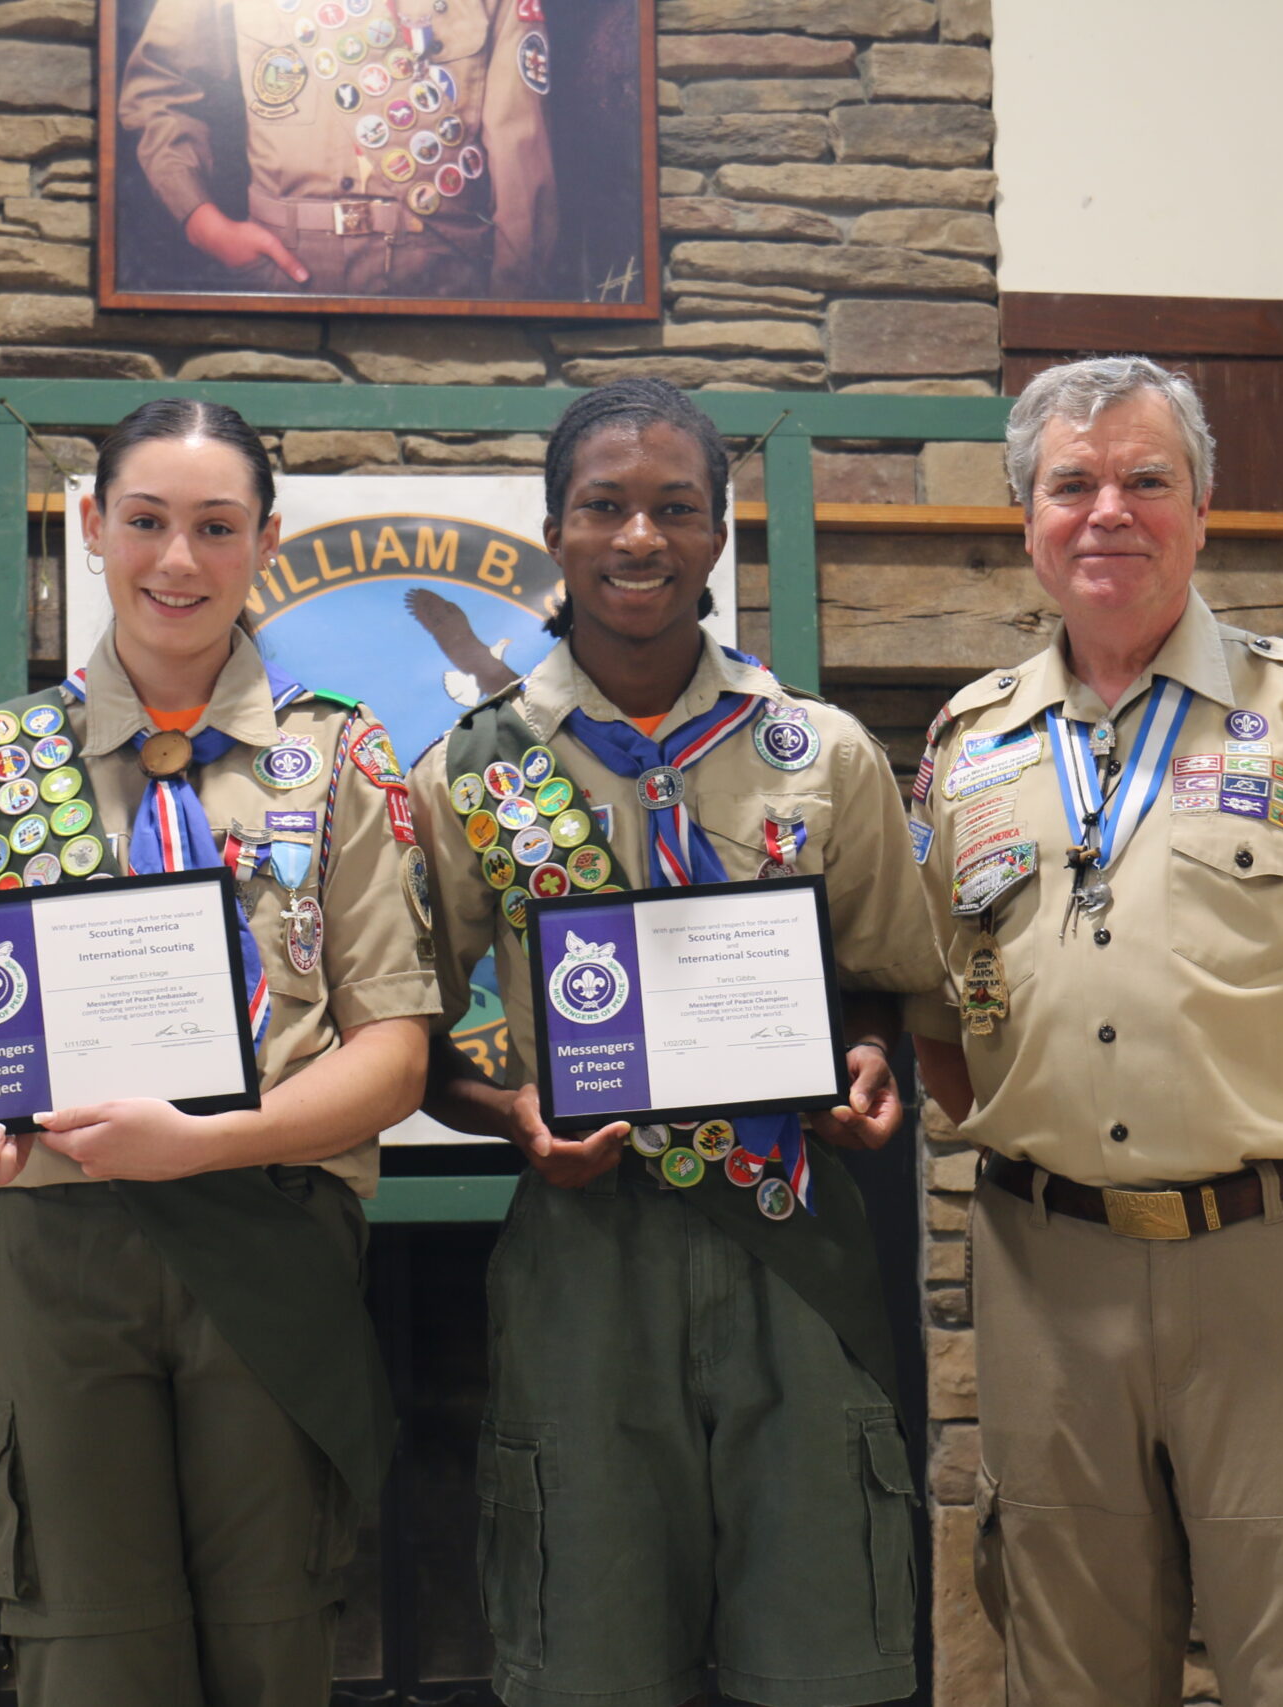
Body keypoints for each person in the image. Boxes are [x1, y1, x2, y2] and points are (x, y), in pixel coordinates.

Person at [904, 356, 1283, 1707]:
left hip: (1277, 1264)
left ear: (1202, 506)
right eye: (1072, 483)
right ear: (1027, 517)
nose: (1108, 509)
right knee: (1068, 1666)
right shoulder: (969, 742)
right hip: (1047, 1273)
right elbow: (946, 1022)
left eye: (1145, 479)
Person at [0, 399, 440, 1707]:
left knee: (271, 1641)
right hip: (58, 1242)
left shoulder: (338, 756)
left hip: (271, 1233)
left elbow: (396, 1051)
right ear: (93, 527)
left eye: (216, 527)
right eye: (148, 521)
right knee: (91, 1649)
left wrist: (212, 1138)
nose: (179, 559)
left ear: (264, 542)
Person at [409, 378, 937, 1707]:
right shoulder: (474, 768)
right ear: (556, 528)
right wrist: (512, 1115)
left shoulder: (820, 750)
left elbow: (880, 984)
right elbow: (404, 1030)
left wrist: (870, 1061)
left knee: (822, 1647)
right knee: (589, 1649)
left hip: (796, 1231)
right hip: (590, 1243)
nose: (638, 536)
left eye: (674, 507)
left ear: (718, 534)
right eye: (604, 506)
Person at [118, 0, 558, 298]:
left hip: (446, 269)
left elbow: (519, 149)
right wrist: (202, 223)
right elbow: (159, 88)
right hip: (284, 267)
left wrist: (512, 305)